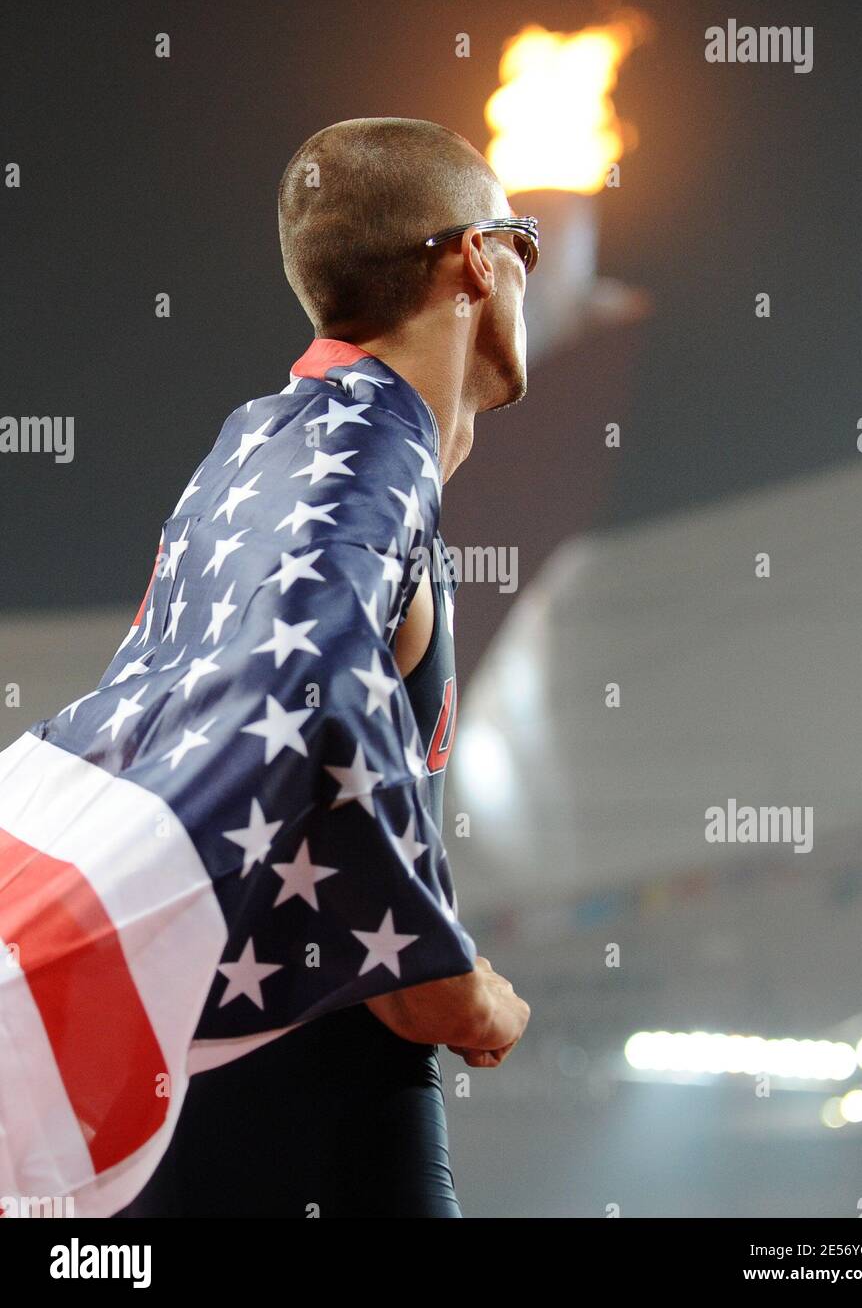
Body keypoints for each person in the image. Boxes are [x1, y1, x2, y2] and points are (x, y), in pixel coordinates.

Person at [114, 117, 535, 1218]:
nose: (526, 277)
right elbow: (303, 702)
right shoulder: (359, 454)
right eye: (521, 246)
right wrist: (443, 979)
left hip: (248, 1068)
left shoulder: (268, 442)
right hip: (279, 1084)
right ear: (474, 259)